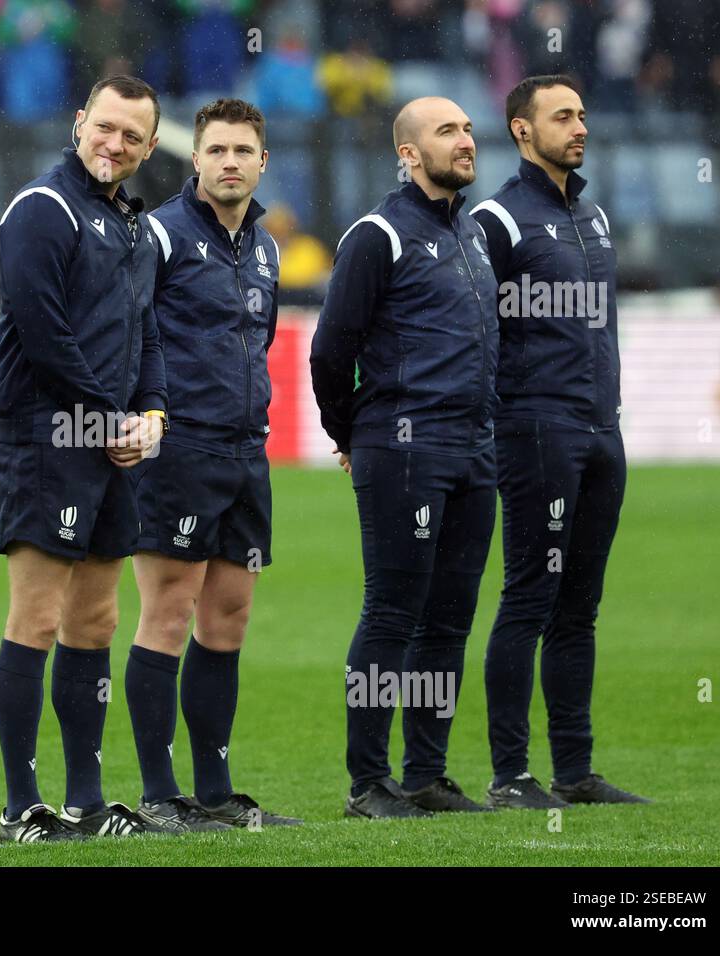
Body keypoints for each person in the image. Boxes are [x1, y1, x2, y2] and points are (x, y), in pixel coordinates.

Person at [0, 74, 168, 841]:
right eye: (106, 127)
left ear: (150, 147)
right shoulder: (41, 209)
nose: (115, 144)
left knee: (94, 621)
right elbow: (42, 331)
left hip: (108, 446)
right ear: (78, 122)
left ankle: (85, 801)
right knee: (35, 616)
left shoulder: (132, 222)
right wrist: (107, 419)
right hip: (44, 439)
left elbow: (146, 329)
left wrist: (152, 413)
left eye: (132, 135)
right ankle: (21, 804)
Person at [311, 96, 500, 819]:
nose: (466, 141)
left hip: (474, 450)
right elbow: (331, 349)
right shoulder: (377, 234)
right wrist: (349, 435)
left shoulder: (474, 233)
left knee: (449, 621)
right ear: (409, 153)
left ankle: (426, 774)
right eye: (448, 131)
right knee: (391, 613)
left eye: (468, 129)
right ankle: (368, 782)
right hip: (405, 445)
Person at [472, 75, 649, 809]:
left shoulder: (595, 216)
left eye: (582, 113)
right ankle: (511, 775)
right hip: (536, 429)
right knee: (529, 599)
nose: (580, 127)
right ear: (521, 130)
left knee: (581, 607)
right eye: (563, 116)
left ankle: (575, 772)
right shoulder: (497, 220)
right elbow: (477, 330)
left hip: (601, 430)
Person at [128, 97, 301, 832]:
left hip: (244, 449)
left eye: (244, 152)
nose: (231, 163)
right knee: (167, 615)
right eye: (217, 151)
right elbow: (131, 332)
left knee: (228, 620)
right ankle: (159, 795)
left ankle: (215, 793)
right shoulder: (159, 237)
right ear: (194, 159)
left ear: (264, 163)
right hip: (178, 448)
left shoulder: (265, 246)